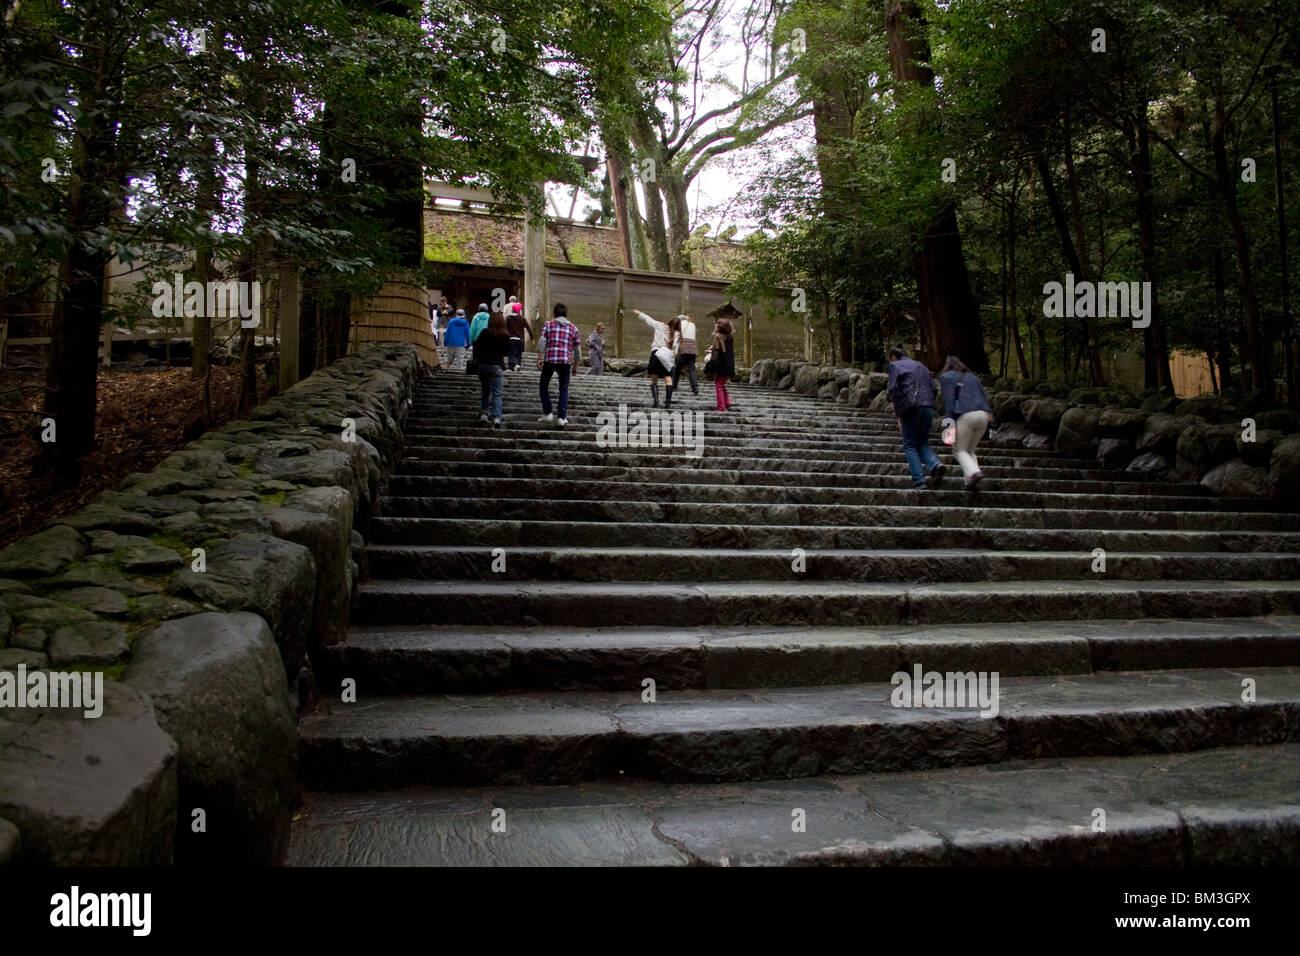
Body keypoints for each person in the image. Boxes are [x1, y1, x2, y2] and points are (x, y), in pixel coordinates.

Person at [887, 345, 944, 489]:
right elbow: (934, 388)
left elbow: (894, 389)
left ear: (893, 357)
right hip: (928, 406)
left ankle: (919, 480)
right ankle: (935, 464)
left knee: (910, 444)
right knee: (922, 442)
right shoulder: (921, 366)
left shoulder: (895, 365)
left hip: (911, 407)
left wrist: (899, 414)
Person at [938, 355, 993, 491]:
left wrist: (949, 424)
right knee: (970, 450)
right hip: (983, 416)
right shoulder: (974, 378)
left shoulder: (947, 377)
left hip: (966, 415)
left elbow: (949, 402)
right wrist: (993, 422)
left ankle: (974, 473)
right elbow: (984, 398)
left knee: (958, 450)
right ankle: (972, 482)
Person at [536, 302, 581, 426]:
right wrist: (575, 366)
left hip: (550, 359)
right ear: (566, 314)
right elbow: (577, 350)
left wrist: (539, 358)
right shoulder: (573, 328)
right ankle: (561, 417)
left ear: (554, 314)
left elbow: (542, 342)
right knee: (563, 389)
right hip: (565, 361)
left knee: (543, 386)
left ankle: (548, 413)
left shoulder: (548, 324)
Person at [633, 308, 679, 407]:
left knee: (654, 378)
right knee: (668, 379)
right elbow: (675, 348)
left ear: (670, 321)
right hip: (666, 356)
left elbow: (649, 320)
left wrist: (639, 313)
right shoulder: (676, 334)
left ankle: (656, 401)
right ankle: (668, 402)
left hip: (656, 353)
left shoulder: (660, 326)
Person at [474, 312, 510, 428]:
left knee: (485, 390)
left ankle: (484, 412)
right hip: (496, 366)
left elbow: (477, 347)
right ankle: (497, 417)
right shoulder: (505, 335)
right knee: (497, 393)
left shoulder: (485, 332)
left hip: (483, 365)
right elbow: (506, 352)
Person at [709, 316, 735, 411]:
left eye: (717, 324)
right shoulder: (730, 337)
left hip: (721, 364)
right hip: (729, 364)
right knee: (721, 383)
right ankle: (727, 402)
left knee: (718, 385)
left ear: (720, 327)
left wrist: (711, 363)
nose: (716, 325)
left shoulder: (717, 337)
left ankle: (721, 407)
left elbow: (716, 352)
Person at [672, 313, 700, 398]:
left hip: (683, 349)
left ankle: (674, 386)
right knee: (691, 369)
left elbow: (676, 340)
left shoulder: (679, 325)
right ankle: (695, 388)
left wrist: (675, 350)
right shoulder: (692, 325)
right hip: (693, 349)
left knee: (677, 369)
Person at [506, 299, 532, 371]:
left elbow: (505, 328)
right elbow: (528, 328)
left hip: (511, 339)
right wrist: (532, 338)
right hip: (519, 340)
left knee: (511, 354)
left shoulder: (508, 318)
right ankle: (517, 365)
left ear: (512, 310)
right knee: (518, 354)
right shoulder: (522, 318)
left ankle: (514, 365)